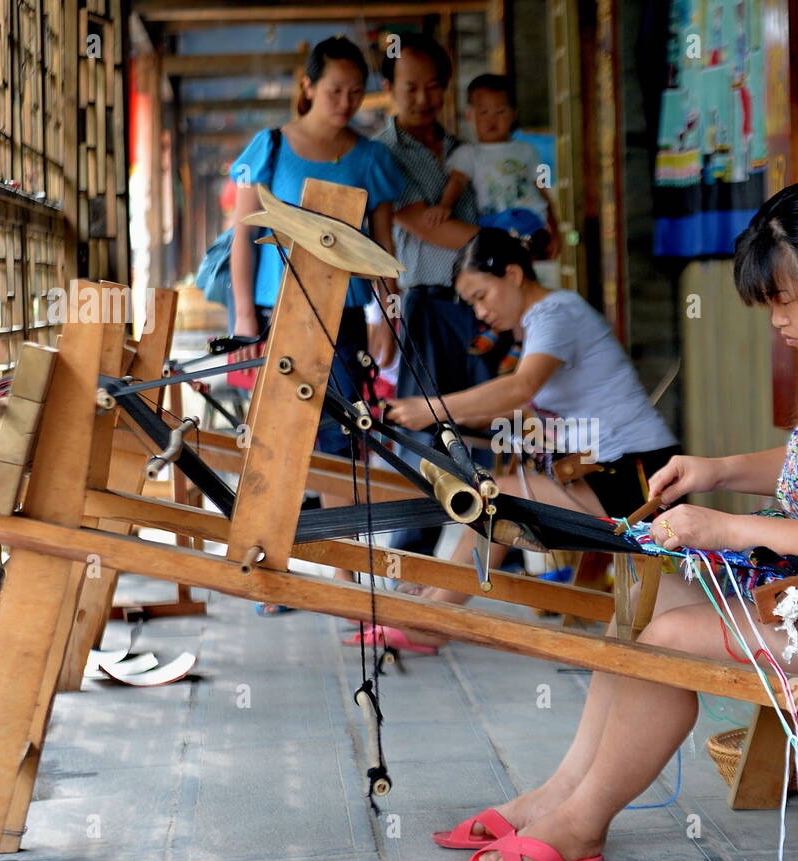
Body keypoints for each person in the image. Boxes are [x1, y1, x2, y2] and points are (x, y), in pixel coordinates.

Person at [440, 182, 798, 861]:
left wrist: (727, 527)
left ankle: (582, 824)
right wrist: (713, 469)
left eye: (784, 300)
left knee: (674, 641)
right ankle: (556, 794)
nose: (777, 322)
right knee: (638, 609)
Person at [364, 228, 678, 653]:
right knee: (491, 499)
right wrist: (431, 414)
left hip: (639, 476)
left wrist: (433, 408)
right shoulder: (539, 324)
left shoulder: (556, 313)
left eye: (481, 296)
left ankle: (434, 619)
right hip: (619, 470)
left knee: (493, 502)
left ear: (512, 274)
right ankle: (434, 611)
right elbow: (520, 408)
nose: (480, 312)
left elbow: (519, 387)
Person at [227, 36, 405, 615]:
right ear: (307, 87)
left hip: (347, 315)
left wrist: (384, 315)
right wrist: (244, 313)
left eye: (357, 92)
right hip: (278, 313)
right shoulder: (269, 147)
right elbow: (242, 234)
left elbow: (383, 249)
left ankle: (342, 576)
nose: (346, 101)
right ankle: (266, 570)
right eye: (334, 89)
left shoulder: (371, 158)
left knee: (340, 438)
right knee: (276, 437)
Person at [375, 34, 514, 557]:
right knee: (427, 429)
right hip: (430, 303)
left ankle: (514, 554)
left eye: (435, 86)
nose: (424, 97)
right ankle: (410, 559)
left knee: (498, 420)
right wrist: (506, 248)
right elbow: (423, 227)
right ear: (389, 88)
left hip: (485, 305)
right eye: (411, 86)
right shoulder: (386, 154)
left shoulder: (464, 149)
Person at [426, 74, 560, 260]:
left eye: (500, 112)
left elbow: (541, 187)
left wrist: (554, 224)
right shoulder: (468, 153)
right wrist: (444, 206)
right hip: (494, 222)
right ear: (469, 116)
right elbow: (457, 181)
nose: (492, 119)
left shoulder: (527, 151)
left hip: (530, 220)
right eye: (483, 112)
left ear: (513, 114)